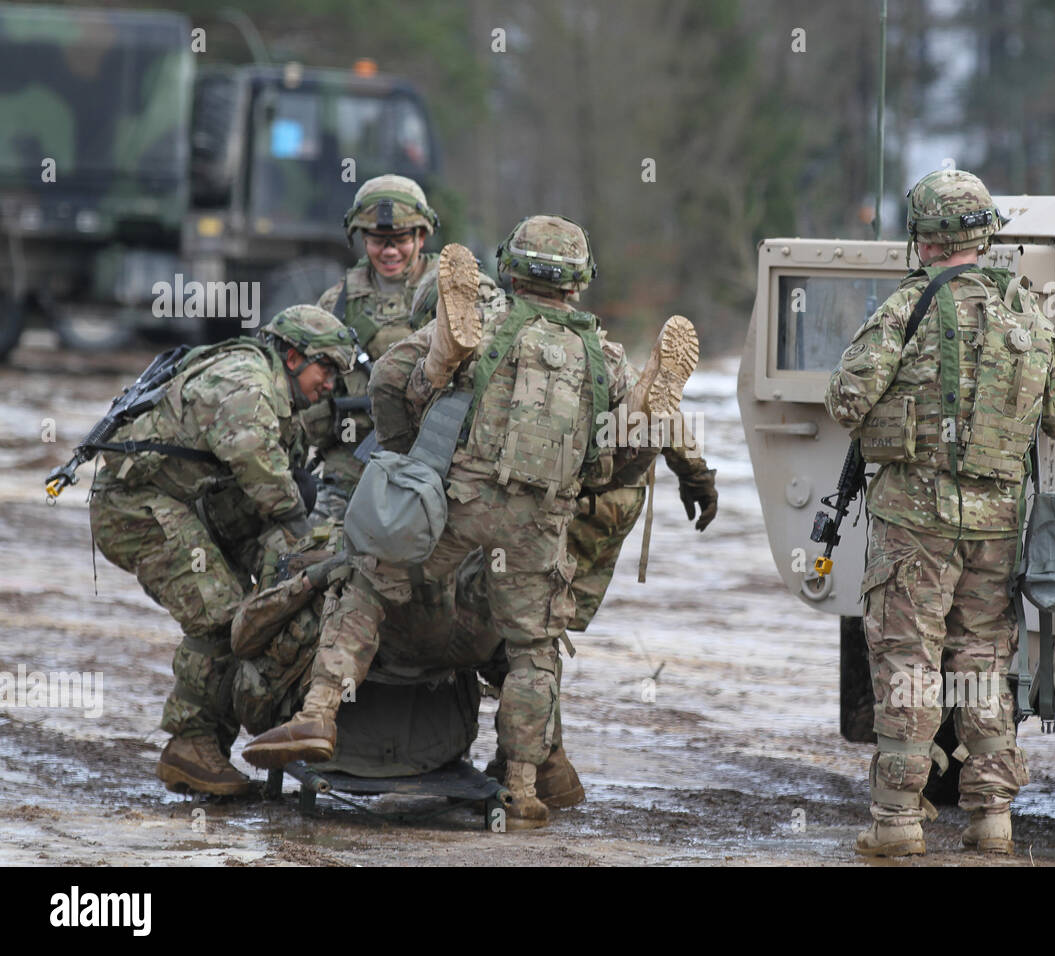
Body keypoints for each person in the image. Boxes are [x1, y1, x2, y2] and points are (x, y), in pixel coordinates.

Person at [244, 216, 699, 830]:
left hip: (457, 504)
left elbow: (380, 381)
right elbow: (615, 469)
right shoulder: (603, 356)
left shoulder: (486, 324)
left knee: (369, 581)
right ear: (580, 283)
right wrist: (618, 453)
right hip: (538, 522)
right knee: (534, 649)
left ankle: (320, 712)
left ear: (509, 268)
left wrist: (405, 452)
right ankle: (520, 787)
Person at [824, 169, 1055, 857]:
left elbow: (846, 402)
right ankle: (991, 819)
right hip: (996, 524)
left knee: (909, 662)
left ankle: (896, 823)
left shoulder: (904, 309)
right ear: (986, 235)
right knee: (982, 659)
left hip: (913, 525)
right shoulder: (1026, 312)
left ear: (921, 239)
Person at [88, 306, 354, 796]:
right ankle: (190, 747)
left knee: (247, 604)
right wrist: (308, 543)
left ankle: (208, 749)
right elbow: (264, 476)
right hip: (134, 509)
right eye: (328, 370)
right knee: (221, 617)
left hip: (181, 501)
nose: (330, 385)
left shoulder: (271, 384)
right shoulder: (247, 383)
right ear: (294, 356)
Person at [308, 174, 500, 520]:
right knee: (323, 535)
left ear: (421, 235)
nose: (390, 251)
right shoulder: (337, 302)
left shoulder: (453, 288)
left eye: (400, 239)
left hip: (437, 451)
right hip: (355, 452)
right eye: (378, 240)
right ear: (361, 237)